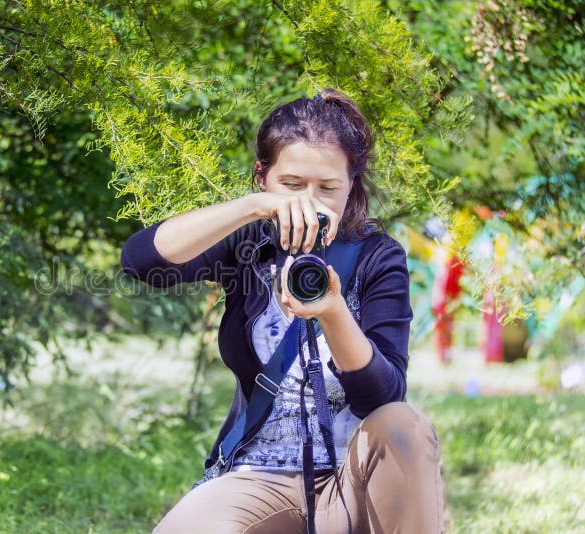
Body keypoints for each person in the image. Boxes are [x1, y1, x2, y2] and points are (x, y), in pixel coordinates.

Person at [120, 89, 445, 533]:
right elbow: (140, 261)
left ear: (351, 186)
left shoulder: (378, 257)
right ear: (262, 176)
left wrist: (333, 313)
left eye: (328, 188)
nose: (309, 203)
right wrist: (254, 208)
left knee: (404, 423)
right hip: (259, 478)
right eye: (292, 185)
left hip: (356, 482)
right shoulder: (248, 242)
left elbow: (382, 398)